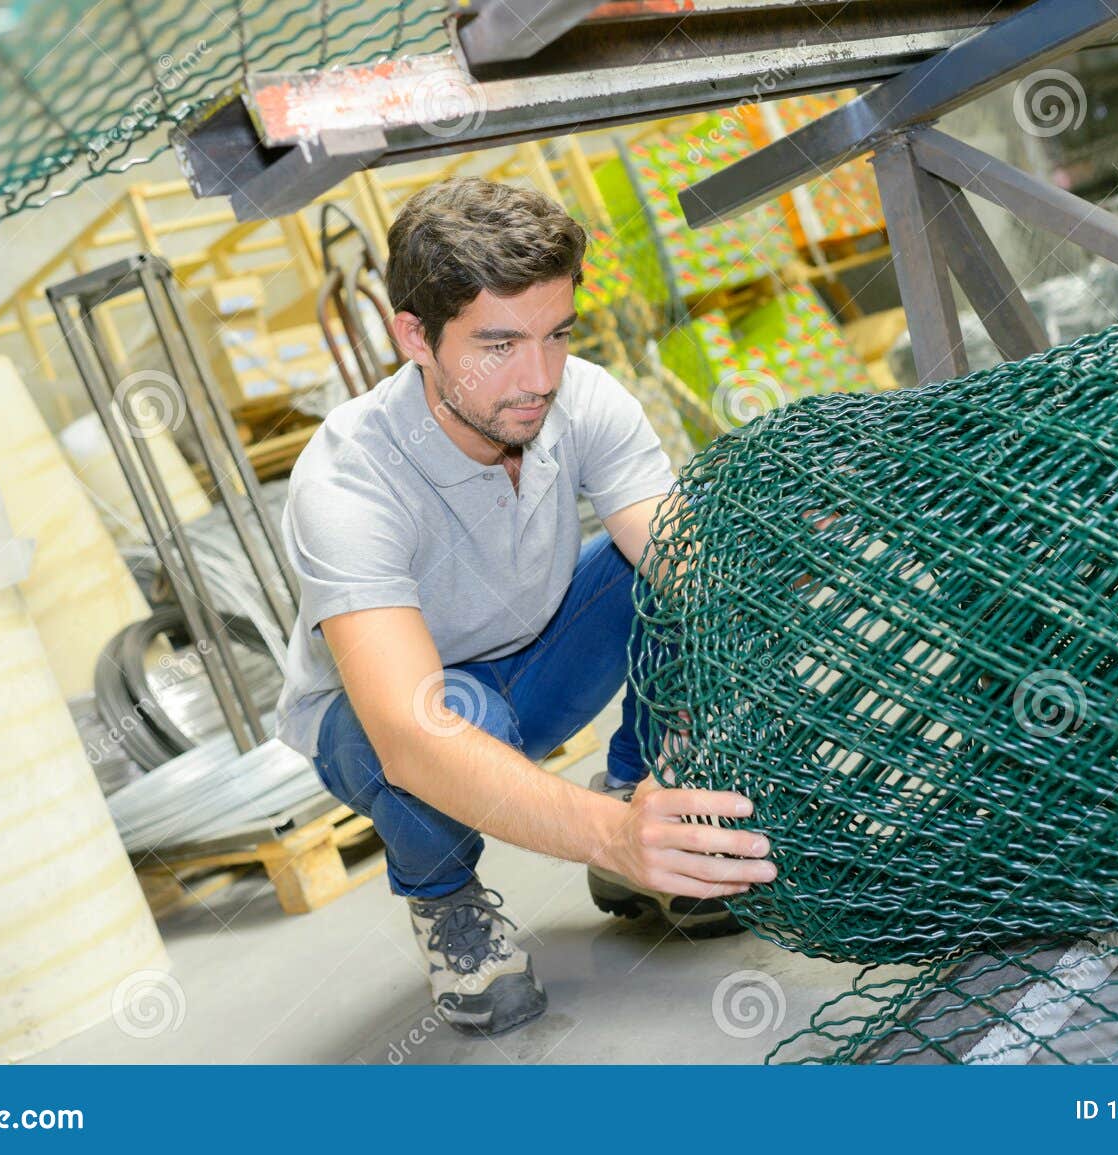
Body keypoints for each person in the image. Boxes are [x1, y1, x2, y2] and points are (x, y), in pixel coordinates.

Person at [275, 177, 776, 1037]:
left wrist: (759, 630)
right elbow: (411, 735)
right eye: (499, 344)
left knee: (678, 549)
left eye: (558, 334)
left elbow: (686, 568)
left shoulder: (583, 398)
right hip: (385, 724)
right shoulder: (349, 479)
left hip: (538, 659)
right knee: (454, 715)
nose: (539, 377)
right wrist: (609, 833)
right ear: (415, 336)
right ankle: (447, 899)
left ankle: (648, 789)